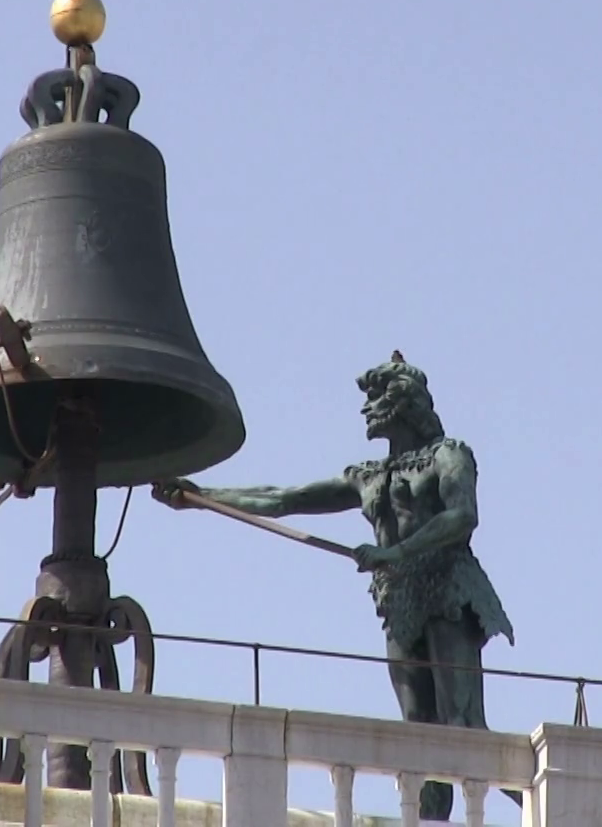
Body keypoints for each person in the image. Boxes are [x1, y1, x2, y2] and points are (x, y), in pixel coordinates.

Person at [154, 351, 515, 820]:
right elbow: (283, 499)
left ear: (403, 403)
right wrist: (201, 496)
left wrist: (396, 553)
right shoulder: (369, 476)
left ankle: (549, 807)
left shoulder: (448, 455)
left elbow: (463, 516)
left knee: (461, 726)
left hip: (448, 589)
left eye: (376, 399)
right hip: (400, 601)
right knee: (418, 733)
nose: (366, 409)